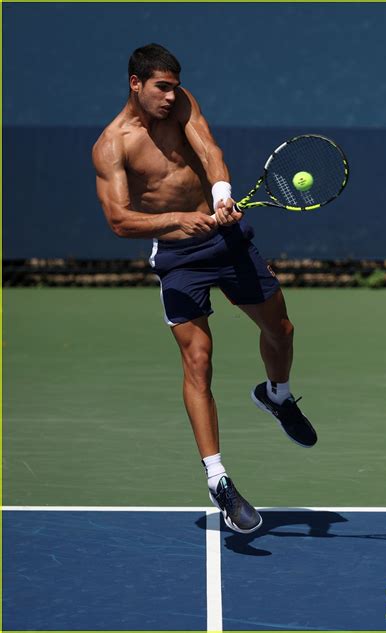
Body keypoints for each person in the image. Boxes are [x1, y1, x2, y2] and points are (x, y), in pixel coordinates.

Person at [92, 43, 317, 534]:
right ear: (136, 83)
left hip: (227, 237)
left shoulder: (183, 104)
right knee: (198, 359)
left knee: (281, 328)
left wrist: (220, 193)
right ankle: (218, 479)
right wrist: (176, 221)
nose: (171, 97)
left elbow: (210, 150)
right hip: (177, 256)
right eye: (162, 88)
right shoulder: (113, 144)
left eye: (175, 86)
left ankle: (277, 396)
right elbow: (118, 220)